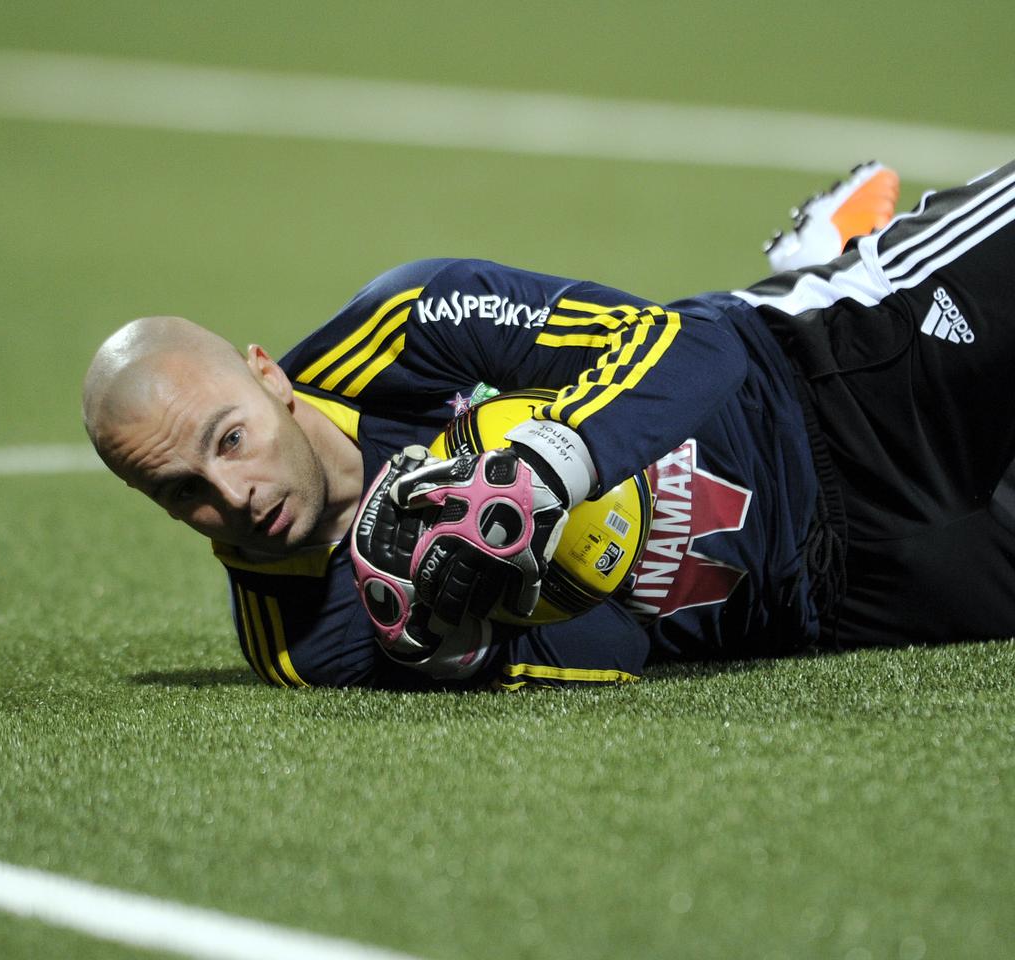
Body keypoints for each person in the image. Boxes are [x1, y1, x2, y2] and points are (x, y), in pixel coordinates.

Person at [82, 161, 1015, 690]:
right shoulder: (301, 642)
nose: (232, 497)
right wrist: (464, 643)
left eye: (228, 438)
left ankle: (828, 261)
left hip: (835, 376)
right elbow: (625, 656)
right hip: (845, 600)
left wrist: (536, 475)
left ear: (268, 376)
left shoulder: (406, 327)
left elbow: (693, 353)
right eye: (181, 497)